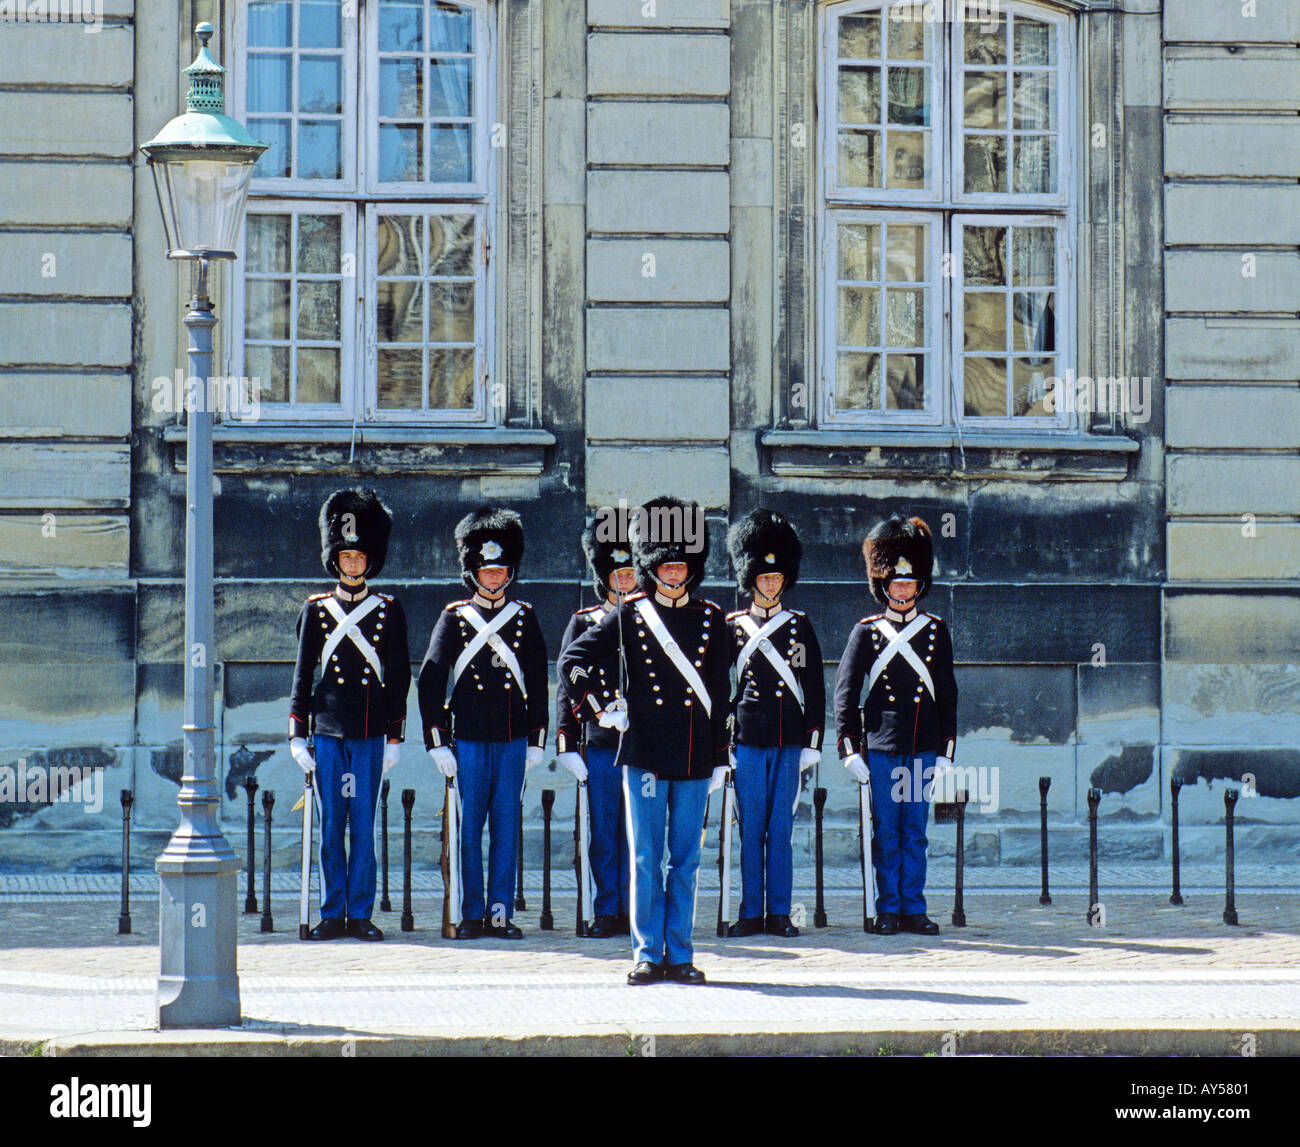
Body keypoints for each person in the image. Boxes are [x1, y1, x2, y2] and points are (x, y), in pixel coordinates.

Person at [558, 495, 730, 985]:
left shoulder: (712, 617)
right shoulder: (631, 614)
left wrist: (721, 756)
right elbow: (572, 662)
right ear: (652, 567)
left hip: (696, 755)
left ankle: (681, 953)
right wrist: (601, 711)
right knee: (645, 856)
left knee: (687, 859)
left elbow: (720, 691)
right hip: (647, 753)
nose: (674, 575)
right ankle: (646, 952)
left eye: (681, 567)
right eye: (666, 567)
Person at [417, 507, 548, 939]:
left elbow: (539, 681)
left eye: (500, 570)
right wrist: (437, 740)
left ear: (510, 573)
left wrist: (536, 740)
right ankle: (471, 912)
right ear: (473, 573)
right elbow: (432, 679)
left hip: (511, 739)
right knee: (468, 830)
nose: (493, 577)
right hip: (468, 739)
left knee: (506, 829)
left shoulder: (525, 616)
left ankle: (499, 912)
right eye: (486, 570)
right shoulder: (454, 617)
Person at [289, 487, 410, 942]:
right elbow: (302, 676)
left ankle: (360, 912)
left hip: (370, 732)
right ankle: (331, 911)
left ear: (369, 561)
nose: (353, 563)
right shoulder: (316, 610)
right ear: (335, 560)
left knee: (363, 826)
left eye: (360, 557)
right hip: (329, 730)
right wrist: (297, 736)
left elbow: (399, 677)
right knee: (330, 826)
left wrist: (395, 736)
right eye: (346, 556)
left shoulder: (388, 610)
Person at [833, 515, 957, 936]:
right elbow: (846, 693)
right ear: (883, 586)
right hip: (882, 748)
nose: (903, 589)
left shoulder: (935, 630)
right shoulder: (866, 633)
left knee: (914, 833)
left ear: (919, 585)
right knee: (886, 832)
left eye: (910, 583)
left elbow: (948, 693)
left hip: (922, 745)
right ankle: (887, 907)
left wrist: (945, 751)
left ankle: (914, 907)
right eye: (896, 583)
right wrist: (848, 750)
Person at [724, 509, 824, 939]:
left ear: (785, 580)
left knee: (779, 829)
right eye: (763, 578)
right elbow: (718, 689)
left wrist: (812, 741)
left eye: (775, 578)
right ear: (752, 580)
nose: (769, 583)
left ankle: (779, 911)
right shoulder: (732, 628)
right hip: (746, 739)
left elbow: (814, 687)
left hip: (786, 740)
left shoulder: (799, 627)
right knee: (749, 830)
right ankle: (750, 911)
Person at [554, 521, 637, 937]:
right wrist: (567, 741)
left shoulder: (647, 618)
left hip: (641, 741)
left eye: (631, 574)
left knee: (638, 834)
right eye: (618, 575)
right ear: (604, 579)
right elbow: (567, 681)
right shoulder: (584, 621)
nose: (626, 581)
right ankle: (607, 909)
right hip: (602, 741)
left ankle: (633, 908)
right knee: (604, 832)